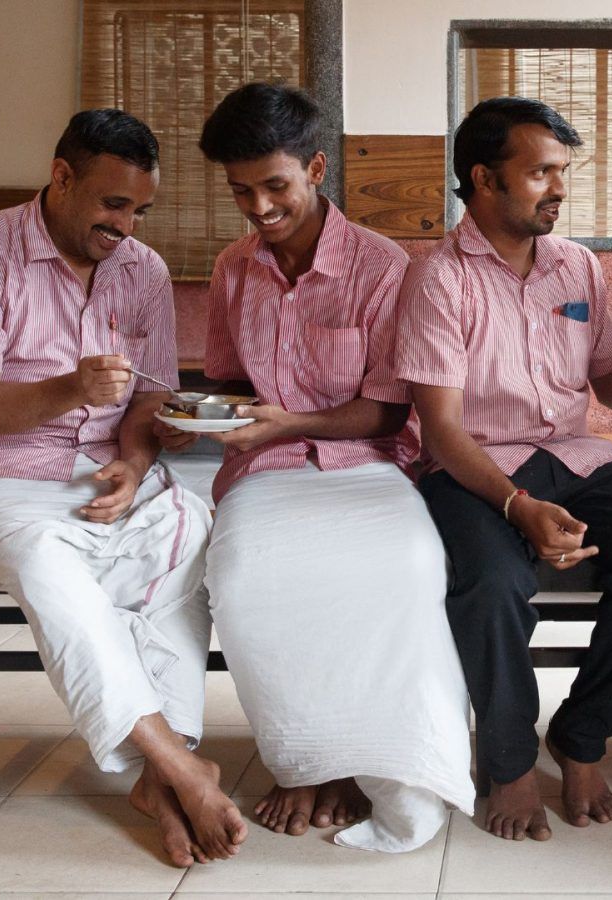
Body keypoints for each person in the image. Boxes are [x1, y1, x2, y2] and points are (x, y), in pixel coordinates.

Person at [0, 109, 244, 867]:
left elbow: (146, 400)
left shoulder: (144, 270)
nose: (127, 226)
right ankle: (175, 764)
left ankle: (159, 782)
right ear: (62, 177)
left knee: (192, 537)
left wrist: (135, 464)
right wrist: (71, 387)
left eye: (140, 210)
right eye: (112, 205)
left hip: (111, 467)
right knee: (49, 567)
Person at [165, 81, 473, 853]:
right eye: (242, 192)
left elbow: (390, 411)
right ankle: (309, 760)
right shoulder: (235, 268)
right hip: (266, 473)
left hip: (368, 466)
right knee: (244, 582)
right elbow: (230, 382)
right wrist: (214, 414)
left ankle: (375, 763)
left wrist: (289, 420)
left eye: (276, 186)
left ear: (317, 167)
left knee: (401, 570)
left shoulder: (382, 266)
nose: (260, 208)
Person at [395, 96, 612, 842]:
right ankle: (507, 761)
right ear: (485, 180)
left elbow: (609, 383)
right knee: (492, 585)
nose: (559, 188)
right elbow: (441, 431)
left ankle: (582, 737)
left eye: (563, 172)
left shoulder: (577, 266)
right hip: (475, 465)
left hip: (578, 456)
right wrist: (517, 507)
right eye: (541, 173)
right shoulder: (438, 279)